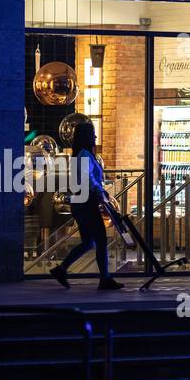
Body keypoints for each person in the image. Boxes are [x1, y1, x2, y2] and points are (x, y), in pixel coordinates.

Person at [49, 122, 124, 290]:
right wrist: (100, 191)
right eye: (93, 133)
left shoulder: (81, 155)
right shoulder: (84, 155)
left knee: (89, 242)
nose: (95, 137)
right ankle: (104, 279)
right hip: (86, 203)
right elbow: (88, 178)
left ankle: (61, 269)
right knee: (101, 239)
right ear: (87, 136)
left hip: (82, 204)